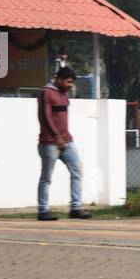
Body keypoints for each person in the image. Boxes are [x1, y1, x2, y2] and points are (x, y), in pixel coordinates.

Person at [37, 66, 92, 221]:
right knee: (46, 177)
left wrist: (64, 138)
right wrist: (56, 137)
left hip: (67, 141)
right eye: (68, 82)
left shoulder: (64, 94)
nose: (70, 85)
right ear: (59, 79)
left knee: (77, 172)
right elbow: (45, 117)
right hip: (49, 143)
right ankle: (43, 210)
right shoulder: (46, 93)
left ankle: (75, 208)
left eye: (72, 83)